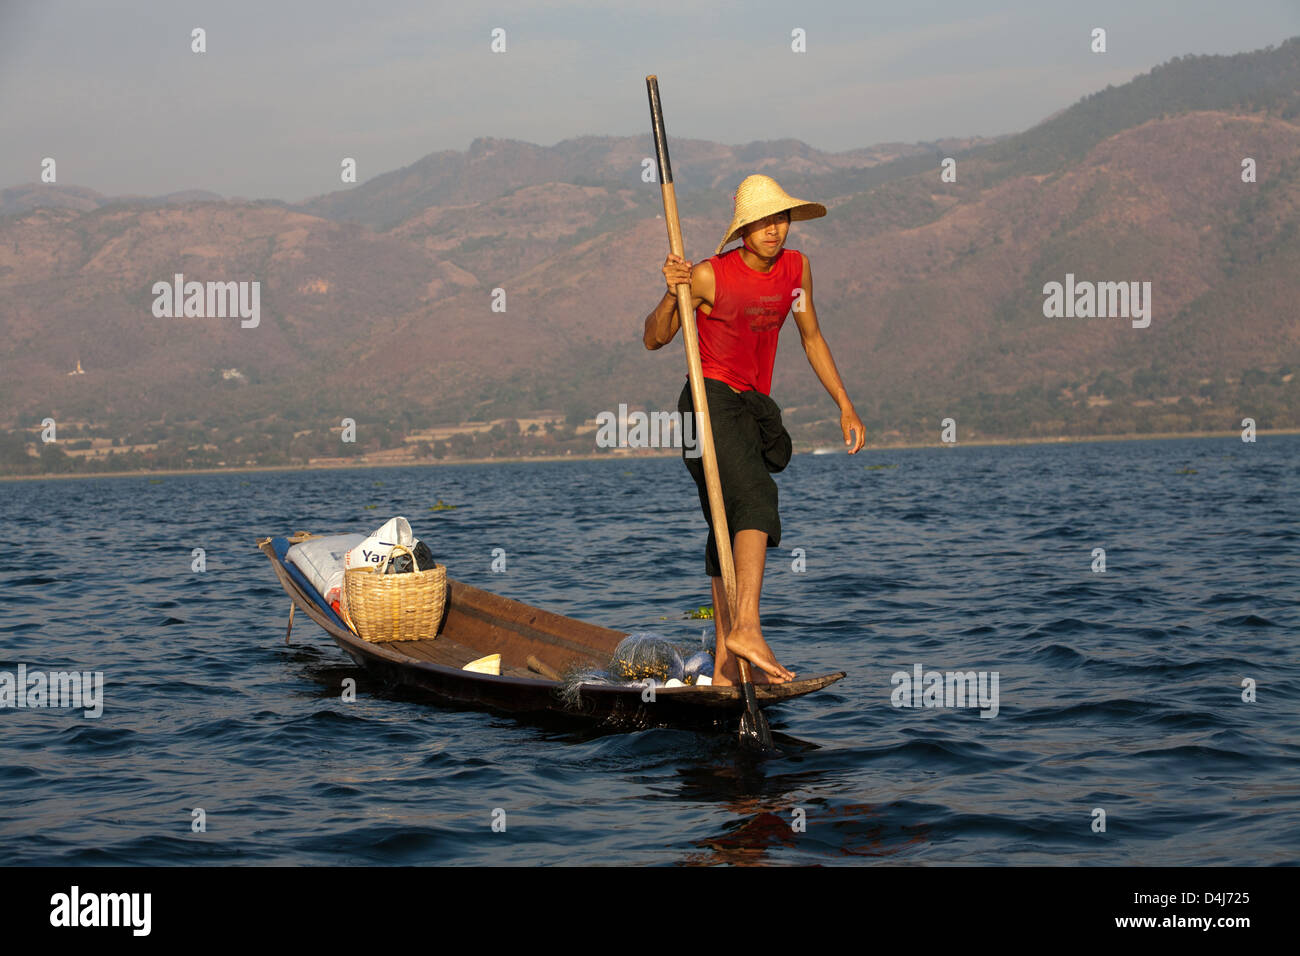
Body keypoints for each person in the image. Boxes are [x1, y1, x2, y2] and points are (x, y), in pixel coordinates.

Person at [643, 174, 865, 686]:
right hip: (707, 402)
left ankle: (726, 666)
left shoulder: (797, 270)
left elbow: (811, 337)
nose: (774, 230)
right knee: (756, 500)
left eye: (780, 219)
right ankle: (747, 627)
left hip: (753, 407)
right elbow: (653, 339)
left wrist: (845, 404)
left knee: (726, 523)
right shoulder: (707, 276)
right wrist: (670, 291)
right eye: (762, 222)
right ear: (743, 228)